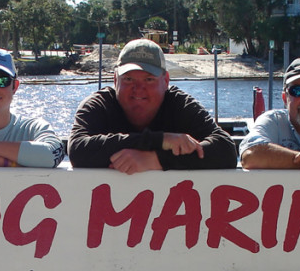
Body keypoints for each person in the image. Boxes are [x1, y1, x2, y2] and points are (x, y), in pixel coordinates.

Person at [68, 38, 238, 173]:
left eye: (149, 79)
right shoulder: (98, 105)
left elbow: (226, 150)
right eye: (128, 79)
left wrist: (155, 159)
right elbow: (77, 150)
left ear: (166, 81)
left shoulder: (180, 104)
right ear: (115, 80)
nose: (138, 88)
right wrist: (161, 140)